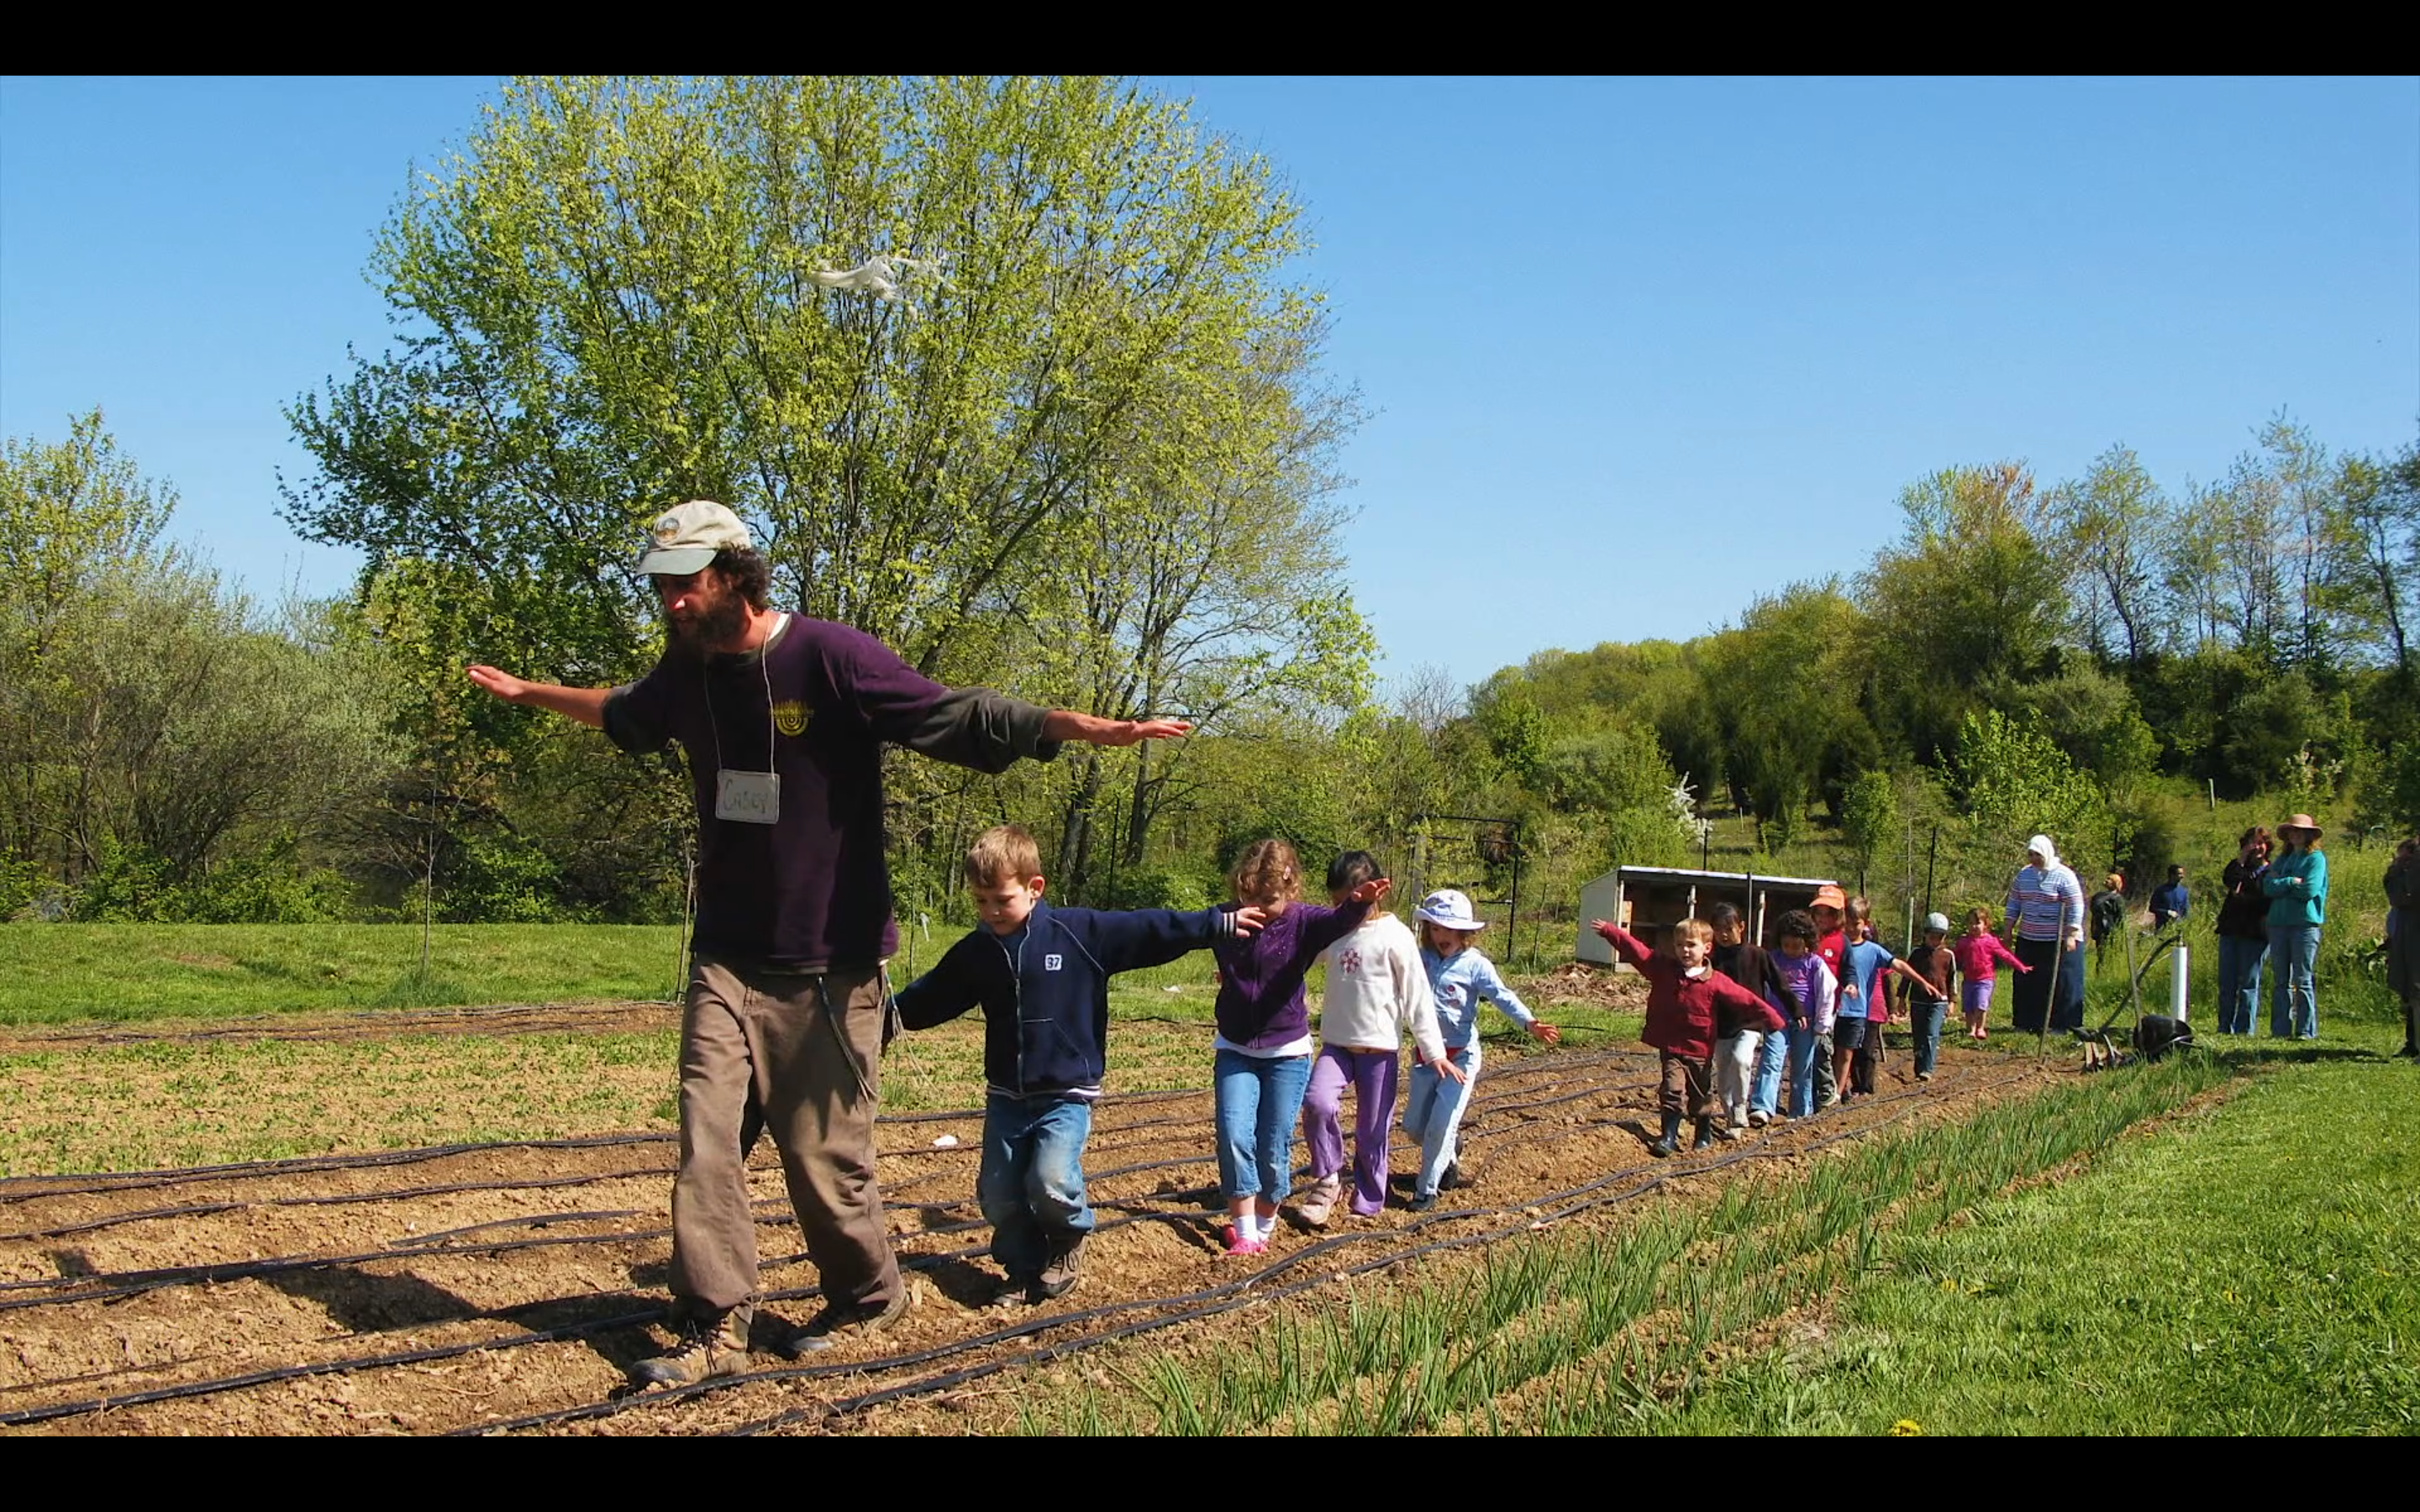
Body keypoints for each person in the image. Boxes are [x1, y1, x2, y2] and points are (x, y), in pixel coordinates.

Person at [462, 500, 1191, 1387]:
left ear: (733, 573)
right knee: (708, 1140)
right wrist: (530, 692)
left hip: (829, 966)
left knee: (822, 1165)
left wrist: (1066, 726)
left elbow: (948, 713)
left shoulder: (831, 658)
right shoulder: (686, 671)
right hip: (727, 957)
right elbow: (624, 714)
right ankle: (711, 1323)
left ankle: (870, 1292)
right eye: (660, 588)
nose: (671, 604)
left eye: (684, 585)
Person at [892, 826, 1265, 1304]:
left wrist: (1214, 924)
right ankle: (1024, 1267)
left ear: (1035, 888)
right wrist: (886, 1017)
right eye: (980, 901)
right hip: (1007, 1094)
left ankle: (1068, 1239)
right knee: (998, 1193)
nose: (990, 912)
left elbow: (1149, 928)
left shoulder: (1079, 933)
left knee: (1050, 1180)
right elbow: (933, 995)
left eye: (1000, 900)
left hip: (1066, 1091)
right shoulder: (977, 950)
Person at [1209, 839, 1385, 1256]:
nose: (1256, 908)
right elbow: (1181, 929)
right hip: (1235, 1047)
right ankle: (1244, 1230)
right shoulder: (1225, 920)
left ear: (1290, 887)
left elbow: (1338, 921)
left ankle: (1264, 1225)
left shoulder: (1304, 921)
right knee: (1234, 1134)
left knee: (1273, 1142)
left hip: (1286, 1052)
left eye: (1267, 900)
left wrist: (1359, 903)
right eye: (1246, 898)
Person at [1298, 852, 1462, 1227]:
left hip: (1379, 1051)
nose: (1345, 909)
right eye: (1338, 903)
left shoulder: (1395, 936)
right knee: (1318, 1103)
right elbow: (1300, 958)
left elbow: (1417, 996)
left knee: (1374, 1129)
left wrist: (1433, 1051)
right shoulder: (1335, 930)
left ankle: (1370, 1199)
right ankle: (1327, 1178)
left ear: (1377, 893)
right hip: (1337, 1046)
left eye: (1352, 901)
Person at [1405, 889, 1560, 1208]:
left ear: (1464, 932)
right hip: (1426, 1057)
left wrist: (1530, 1023)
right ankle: (1450, 1151)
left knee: (1440, 1126)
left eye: (1448, 929)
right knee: (1415, 1128)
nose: (1441, 935)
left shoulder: (1475, 965)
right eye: (1435, 928)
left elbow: (1502, 996)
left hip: (1460, 1058)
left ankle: (1426, 1190)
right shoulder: (1421, 959)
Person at [1591, 915, 1782, 1155]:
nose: (1685, 950)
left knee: (1700, 1095)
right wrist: (1611, 932)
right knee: (1672, 1089)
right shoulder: (1663, 970)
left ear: (1707, 948)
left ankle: (1703, 1133)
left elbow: (1747, 1000)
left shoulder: (1715, 982)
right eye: (1680, 945)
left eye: (1691, 945)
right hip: (1671, 1046)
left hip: (1700, 1050)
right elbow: (1638, 951)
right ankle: (1668, 1136)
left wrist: (1773, 1019)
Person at [1709, 902, 1800, 1131]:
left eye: (1728, 929)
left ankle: (1740, 1106)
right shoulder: (1712, 959)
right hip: (1722, 1025)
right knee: (1722, 1078)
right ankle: (1733, 1120)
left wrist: (1796, 1010)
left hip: (1750, 1023)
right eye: (1718, 929)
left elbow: (1780, 984)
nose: (1723, 934)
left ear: (1741, 927)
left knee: (1742, 1060)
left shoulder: (1757, 955)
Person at [1835, 896, 1934, 1100]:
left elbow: (1898, 965)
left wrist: (1921, 981)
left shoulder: (1873, 950)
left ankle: (1844, 1090)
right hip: (1831, 1010)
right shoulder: (1835, 945)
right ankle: (1836, 1089)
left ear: (1866, 925)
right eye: (1847, 924)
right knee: (1831, 1052)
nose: (1851, 929)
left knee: (1851, 1052)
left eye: (1856, 924)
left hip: (1856, 1010)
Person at [2004, 834, 2086, 1033]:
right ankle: (2027, 1022)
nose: (2033, 858)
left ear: (2047, 853)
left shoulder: (2064, 875)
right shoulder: (2024, 875)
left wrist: (2071, 934)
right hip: (2030, 937)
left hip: (2058, 939)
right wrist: (2008, 929)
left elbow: (2076, 905)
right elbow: (2014, 902)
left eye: (2037, 854)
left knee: (2061, 981)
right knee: (2027, 980)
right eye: (2030, 854)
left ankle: (2062, 1025)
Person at [2262, 814, 2330, 1040]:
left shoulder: (2315, 859)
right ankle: (2280, 1029)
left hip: (2304, 924)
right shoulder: (2283, 859)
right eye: (2292, 831)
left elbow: (2309, 890)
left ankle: (2305, 1030)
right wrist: (2291, 881)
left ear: (2310, 834)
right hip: (2278, 924)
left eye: (2300, 830)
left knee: (2303, 978)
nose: (2295, 834)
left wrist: (2281, 882)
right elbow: (2268, 887)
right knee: (2281, 980)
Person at [1770, 910, 1839, 1119]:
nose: (1790, 951)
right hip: (1778, 1019)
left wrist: (1822, 1024)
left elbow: (1827, 992)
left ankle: (1800, 1113)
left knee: (1802, 1069)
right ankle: (1767, 1107)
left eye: (1796, 946)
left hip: (1805, 1023)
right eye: (1786, 945)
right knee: (1772, 1061)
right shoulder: (1774, 960)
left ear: (1806, 943)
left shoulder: (1815, 963)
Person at [2214, 827, 2274, 1037]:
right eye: (2251, 843)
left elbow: (2261, 895)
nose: (2255, 847)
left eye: (2260, 843)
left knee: (2249, 983)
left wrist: (2242, 892)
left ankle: (2245, 1029)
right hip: (2231, 929)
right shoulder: (2238, 866)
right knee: (2227, 982)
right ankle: (2224, 1026)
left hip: (2255, 933)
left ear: (2267, 846)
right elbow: (2230, 880)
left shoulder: (2271, 871)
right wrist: (2241, 859)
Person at [1954, 908, 2029, 1041]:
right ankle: (1970, 1029)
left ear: (1986, 924)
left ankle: (1980, 1028)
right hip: (1969, 980)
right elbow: (1954, 957)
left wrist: (2020, 966)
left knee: (1981, 1004)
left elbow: (2005, 955)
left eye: (1977, 923)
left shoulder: (1990, 941)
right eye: (1970, 923)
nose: (1973, 926)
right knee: (1969, 1006)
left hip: (1985, 979)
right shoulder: (1964, 942)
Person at [1905, 913, 1957, 1081]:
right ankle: (1919, 1067)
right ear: (1925, 934)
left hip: (1939, 1001)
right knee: (1918, 1035)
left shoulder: (1948, 955)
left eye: (1939, 937)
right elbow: (1907, 976)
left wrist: (1952, 1001)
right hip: (1918, 999)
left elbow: (1952, 979)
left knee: (1931, 1033)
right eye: (1932, 936)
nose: (1935, 940)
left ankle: (1928, 1068)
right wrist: (1901, 998)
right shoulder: (1917, 953)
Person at [2386, 835, 2419, 1059]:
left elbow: (2407, 897)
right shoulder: (2402, 872)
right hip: (2407, 933)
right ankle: (2413, 1043)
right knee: (2411, 991)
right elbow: (2397, 897)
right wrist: (2397, 871)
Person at [2088, 873, 2127, 969]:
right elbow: (2121, 917)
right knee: (2112, 956)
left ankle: (2100, 973)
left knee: (2101, 956)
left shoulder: (2097, 897)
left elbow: (2092, 911)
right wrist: (2122, 934)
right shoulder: (2118, 899)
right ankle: (2109, 973)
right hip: (2112, 930)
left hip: (2099, 930)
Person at [2150, 865, 2191, 932]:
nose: (2182, 876)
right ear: (2172, 875)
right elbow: (2152, 908)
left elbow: (2186, 911)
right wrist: (2168, 912)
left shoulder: (2184, 891)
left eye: (2182, 874)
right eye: (2179, 874)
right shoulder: (2160, 890)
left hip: (2178, 930)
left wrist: (2185, 925)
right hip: (2163, 929)